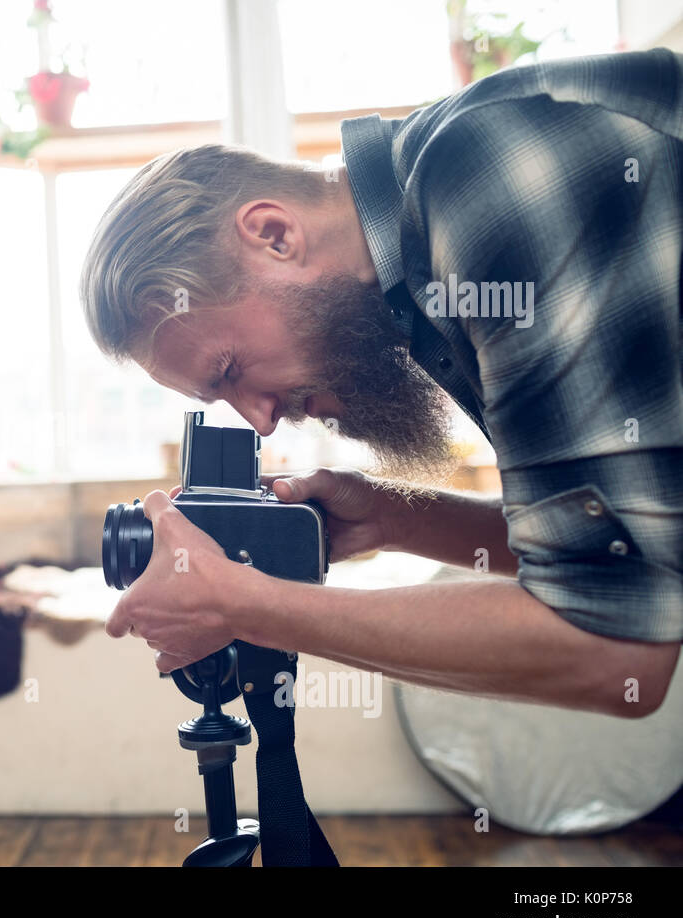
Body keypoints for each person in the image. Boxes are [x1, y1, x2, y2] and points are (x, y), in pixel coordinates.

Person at [78, 48, 682, 717]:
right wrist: (396, 520)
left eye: (230, 372)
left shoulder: (482, 184)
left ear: (274, 234)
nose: (261, 421)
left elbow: (614, 651)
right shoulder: (421, 285)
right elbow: (629, 564)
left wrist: (245, 606)